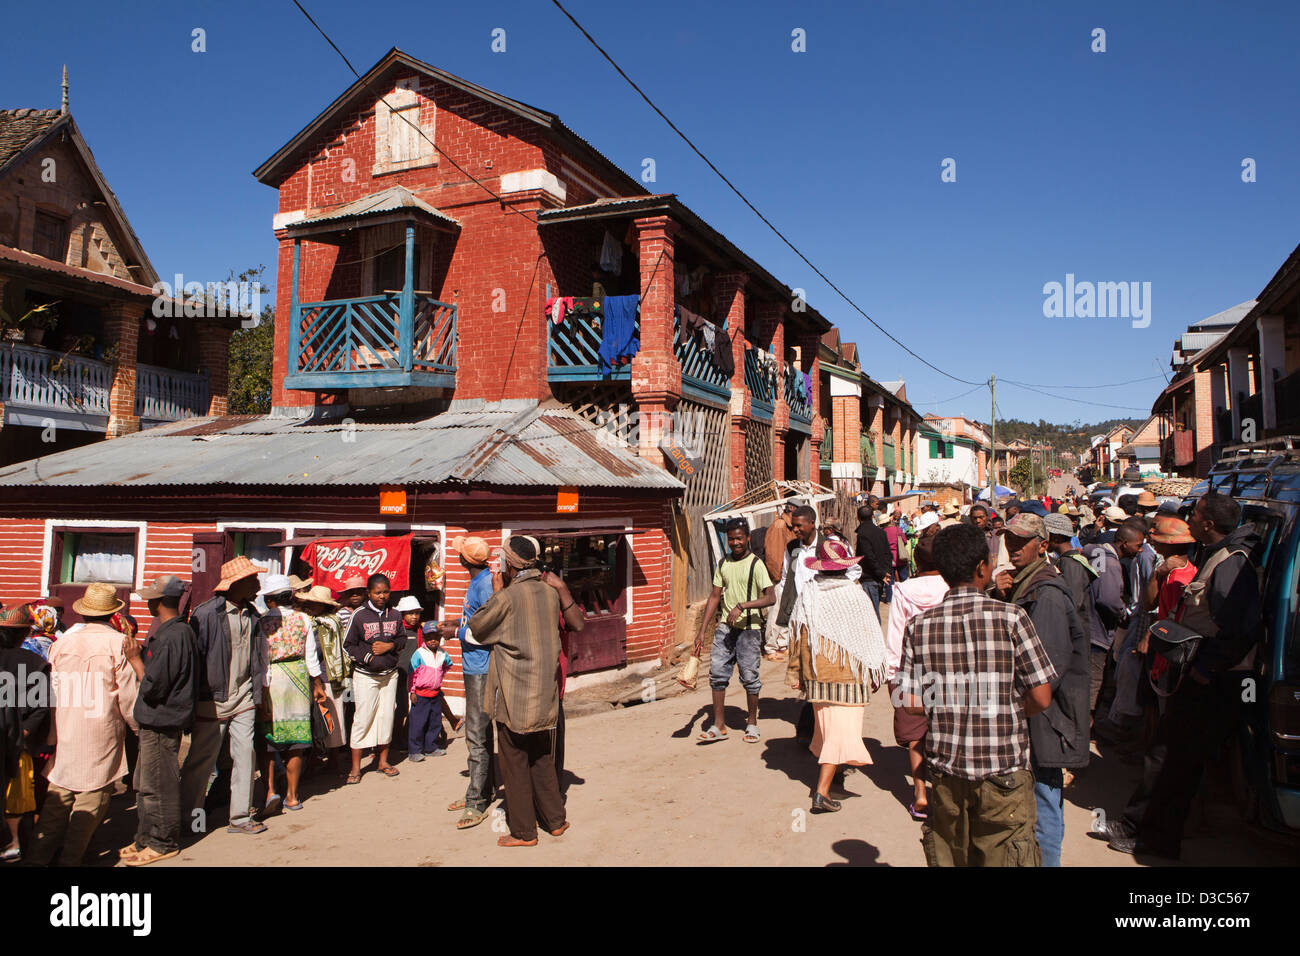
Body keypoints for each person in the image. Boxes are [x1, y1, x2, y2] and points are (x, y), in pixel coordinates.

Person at [1100, 493, 1261, 859]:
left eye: (1197, 515)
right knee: (1169, 756)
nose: (1191, 522)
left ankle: (1156, 838)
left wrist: (1206, 669)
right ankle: (1144, 828)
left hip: (1214, 681)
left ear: (1207, 524)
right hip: (1201, 676)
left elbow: (1243, 628)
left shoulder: (1232, 563)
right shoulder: (1217, 556)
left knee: (1175, 760)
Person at [897, 523, 1056, 867]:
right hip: (1004, 774)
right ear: (983, 569)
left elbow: (909, 705)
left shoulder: (919, 627)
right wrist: (1006, 707)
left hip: (946, 773)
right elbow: (1041, 697)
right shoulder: (1012, 618)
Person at [994, 513, 1090, 867]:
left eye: (1022, 542)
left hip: (1046, 716)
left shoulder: (1046, 593)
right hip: (1038, 712)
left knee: (1044, 797)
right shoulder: (1025, 584)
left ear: (1043, 545)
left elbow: (1047, 666)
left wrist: (1023, 709)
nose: (1014, 547)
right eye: (1010, 540)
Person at [466, 536, 569, 847]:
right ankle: (555, 820)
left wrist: (497, 593)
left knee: (513, 761)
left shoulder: (507, 597)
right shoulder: (549, 593)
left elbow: (479, 627)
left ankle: (524, 831)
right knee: (540, 757)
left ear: (508, 564)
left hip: (515, 696)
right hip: (545, 694)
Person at [30, 583, 141, 866]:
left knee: (59, 796)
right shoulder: (118, 644)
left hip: (66, 725)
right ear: (112, 612)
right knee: (92, 800)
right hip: (101, 728)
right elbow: (127, 694)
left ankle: (37, 858)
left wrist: (52, 733)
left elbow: (52, 689)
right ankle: (70, 859)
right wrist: (136, 726)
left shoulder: (62, 643)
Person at [787, 538, 887, 813]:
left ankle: (835, 777)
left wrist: (796, 672)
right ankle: (821, 793)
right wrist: (876, 671)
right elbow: (870, 634)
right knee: (840, 734)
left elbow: (798, 636)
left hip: (818, 676)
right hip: (849, 678)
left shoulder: (810, 593)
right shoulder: (854, 594)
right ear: (844, 567)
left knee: (830, 730)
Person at [179, 556, 267, 836]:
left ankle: (240, 818)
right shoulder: (205, 615)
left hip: (243, 697)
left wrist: (257, 695)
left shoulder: (252, 615)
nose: (257, 583)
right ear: (237, 583)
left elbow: (256, 658)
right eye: (253, 579)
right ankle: (190, 819)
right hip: (212, 699)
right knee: (201, 761)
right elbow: (195, 660)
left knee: (245, 756)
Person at [119, 575, 199, 866]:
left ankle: (162, 841)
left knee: (159, 784)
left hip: (162, 718)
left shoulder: (172, 636)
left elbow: (154, 686)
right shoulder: (175, 632)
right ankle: (145, 836)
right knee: (144, 782)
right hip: (156, 719)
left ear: (158, 602)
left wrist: (136, 661)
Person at [884, 530, 948, 820]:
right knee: (947, 729)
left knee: (915, 734)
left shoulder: (903, 590)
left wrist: (891, 674)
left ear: (916, 563)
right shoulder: (952, 587)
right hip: (948, 669)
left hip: (911, 670)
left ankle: (920, 793)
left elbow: (896, 634)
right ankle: (947, 793)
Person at [695, 519, 775, 744]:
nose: (736, 543)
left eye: (740, 538)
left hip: (750, 629)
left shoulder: (756, 564)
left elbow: (770, 597)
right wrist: (702, 631)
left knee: (750, 676)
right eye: (731, 539)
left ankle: (752, 723)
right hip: (725, 629)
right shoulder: (723, 564)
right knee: (717, 674)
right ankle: (719, 725)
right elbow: (714, 596)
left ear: (747, 538)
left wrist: (743, 605)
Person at [439, 535, 497, 830]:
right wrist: (455, 625)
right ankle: (479, 790)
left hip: (481, 669)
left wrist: (456, 633)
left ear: (466, 560)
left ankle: (477, 802)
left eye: (460, 553)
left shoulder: (484, 585)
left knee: (476, 733)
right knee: (480, 732)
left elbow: (488, 630)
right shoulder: (479, 582)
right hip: (474, 666)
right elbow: (475, 622)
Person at [256, 576, 314, 814]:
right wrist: (317, 685)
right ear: (290, 597)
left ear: (268, 599)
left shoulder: (261, 623)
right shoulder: (304, 620)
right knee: (296, 743)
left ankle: (270, 791)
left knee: (269, 741)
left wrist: (263, 688)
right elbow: (311, 660)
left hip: (272, 680)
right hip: (298, 677)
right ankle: (292, 796)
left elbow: (260, 661)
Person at [342, 573, 408, 783]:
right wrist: (368, 656)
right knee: (363, 718)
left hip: (389, 675)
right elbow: (348, 645)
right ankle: (355, 768)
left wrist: (390, 646)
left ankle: (382, 761)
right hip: (366, 676)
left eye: (385, 592)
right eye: (377, 592)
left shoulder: (395, 615)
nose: (382, 596)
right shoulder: (359, 615)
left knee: (386, 717)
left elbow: (402, 639)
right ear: (369, 593)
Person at [1, 605, 49, 864]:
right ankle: (19, 850)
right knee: (19, 806)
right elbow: (40, 709)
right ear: (25, 634)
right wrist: (23, 735)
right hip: (21, 746)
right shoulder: (35, 663)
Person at [301, 586, 350, 766]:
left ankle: (332, 760)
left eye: (313, 603)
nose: (309, 606)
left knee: (328, 717)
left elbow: (316, 650)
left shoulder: (322, 624)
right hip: (333, 675)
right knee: (333, 717)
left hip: (324, 676)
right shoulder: (333, 621)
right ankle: (331, 758)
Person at [408, 624, 453, 761]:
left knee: (435, 723)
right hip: (420, 695)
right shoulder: (419, 654)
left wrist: (437, 679)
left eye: (436, 637)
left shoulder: (442, 653)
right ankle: (414, 750)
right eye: (429, 638)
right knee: (418, 723)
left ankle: (431, 748)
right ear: (424, 638)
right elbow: (412, 675)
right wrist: (412, 691)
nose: (433, 640)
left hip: (435, 694)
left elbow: (448, 665)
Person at [762, 502, 798, 661]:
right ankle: (770, 648)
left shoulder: (790, 527)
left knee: (786, 612)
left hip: (788, 577)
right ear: (791, 509)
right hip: (779, 578)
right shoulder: (779, 526)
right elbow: (773, 554)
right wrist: (777, 578)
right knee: (775, 612)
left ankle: (782, 644)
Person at [854, 503, 892, 614]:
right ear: (872, 517)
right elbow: (888, 554)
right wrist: (886, 572)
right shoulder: (881, 532)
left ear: (858, 517)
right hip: (880, 577)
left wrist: (881, 573)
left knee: (872, 614)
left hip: (870, 578)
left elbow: (869, 557)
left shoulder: (862, 534)